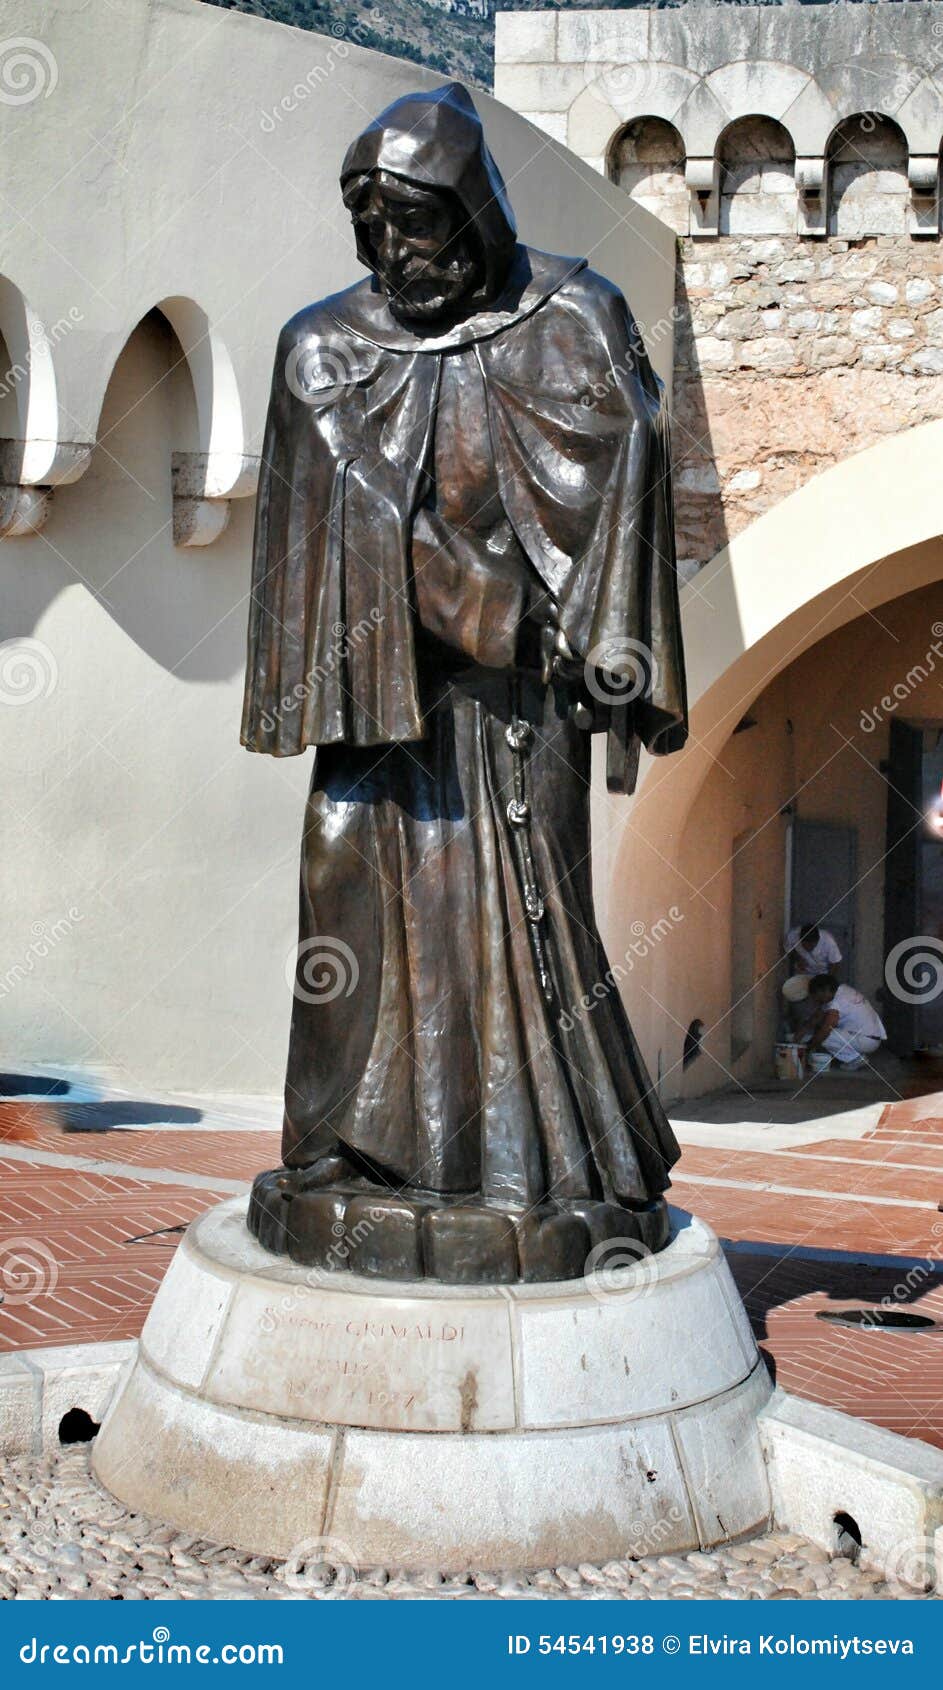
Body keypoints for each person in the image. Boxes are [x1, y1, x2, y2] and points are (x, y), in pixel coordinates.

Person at [241, 83, 688, 1282]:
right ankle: (344, 1147)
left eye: (419, 223)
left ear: (474, 212)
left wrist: (581, 623)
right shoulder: (324, 348)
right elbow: (331, 512)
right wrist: (487, 604)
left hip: (522, 708)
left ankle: (538, 1166)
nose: (396, 252)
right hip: (381, 698)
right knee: (343, 878)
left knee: (529, 916)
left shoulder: (576, 315)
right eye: (373, 226)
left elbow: (632, 469)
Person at [803, 974, 886, 1071]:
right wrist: (800, 1033)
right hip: (871, 1038)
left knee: (825, 1036)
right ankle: (854, 1054)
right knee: (822, 1032)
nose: (816, 1000)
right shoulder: (842, 989)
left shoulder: (837, 1002)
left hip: (867, 1041)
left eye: (817, 996)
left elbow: (825, 1030)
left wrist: (807, 1048)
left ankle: (855, 1059)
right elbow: (817, 1016)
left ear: (825, 991)